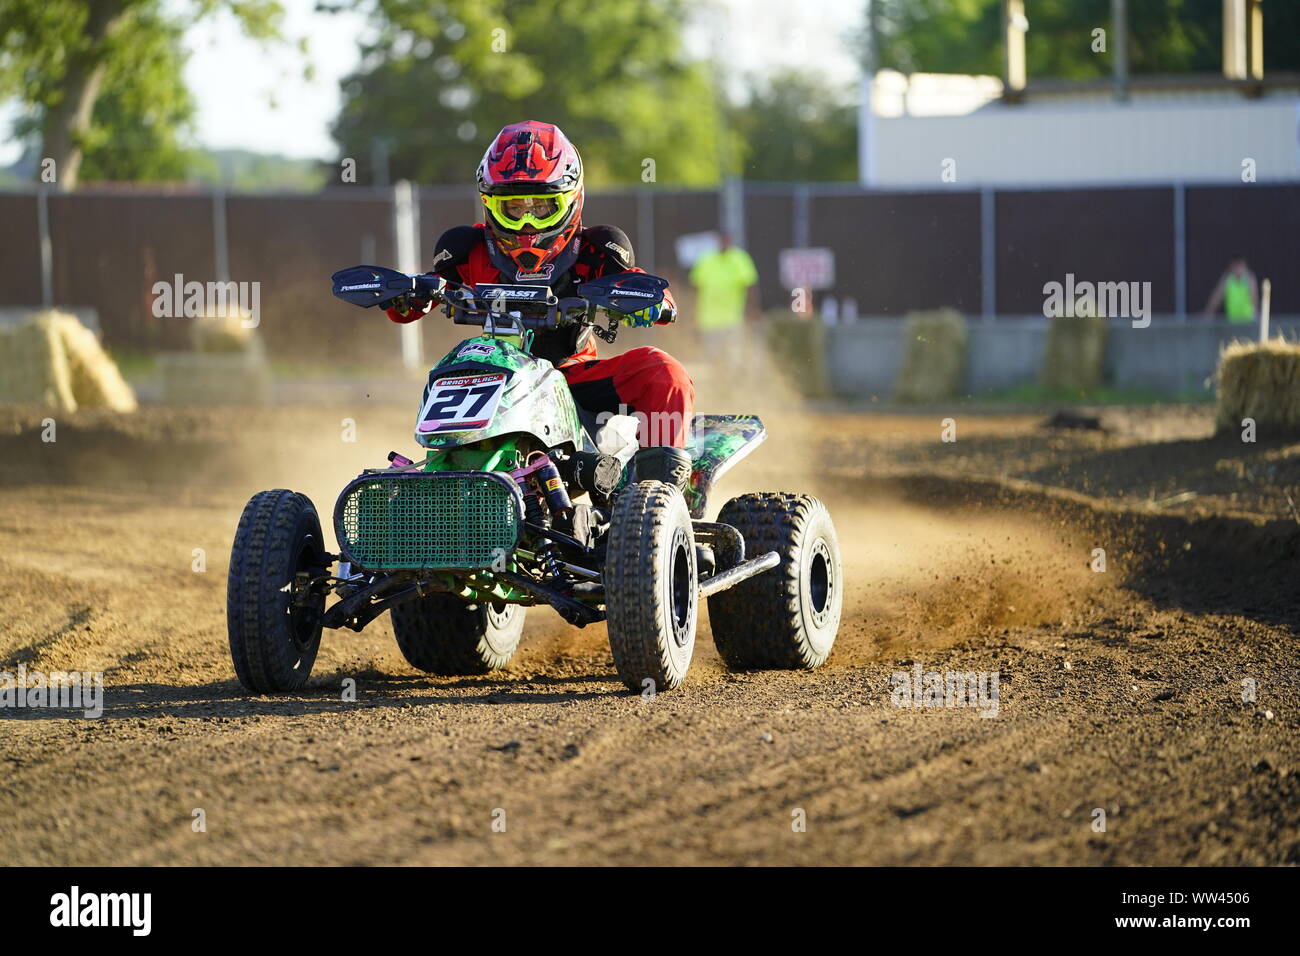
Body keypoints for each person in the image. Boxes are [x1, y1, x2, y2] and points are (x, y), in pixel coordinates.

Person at [384, 120, 694, 487]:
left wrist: (650, 301)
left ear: (571, 200)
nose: (527, 223)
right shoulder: (466, 247)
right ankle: (434, 484)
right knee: (453, 366)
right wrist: (409, 295)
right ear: (490, 205)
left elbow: (652, 291)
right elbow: (411, 306)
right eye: (514, 208)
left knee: (663, 371)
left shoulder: (598, 248)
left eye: (541, 207)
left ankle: (661, 496)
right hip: (491, 377)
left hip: (571, 376)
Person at [688, 232, 758, 374]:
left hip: (732, 318)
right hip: (708, 319)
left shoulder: (740, 259)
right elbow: (695, 287)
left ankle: (731, 385)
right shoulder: (706, 260)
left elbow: (750, 286)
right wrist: (691, 313)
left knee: (733, 359)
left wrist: (753, 309)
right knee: (711, 358)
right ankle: (717, 385)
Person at [1202, 256, 1259, 324]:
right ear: (1231, 267)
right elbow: (1217, 297)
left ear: (1244, 267)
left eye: (1240, 266)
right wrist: (1208, 313)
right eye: (1235, 267)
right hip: (1232, 321)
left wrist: (1257, 313)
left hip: (1248, 320)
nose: (1238, 270)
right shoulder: (1227, 279)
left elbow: (1254, 298)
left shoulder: (1249, 279)